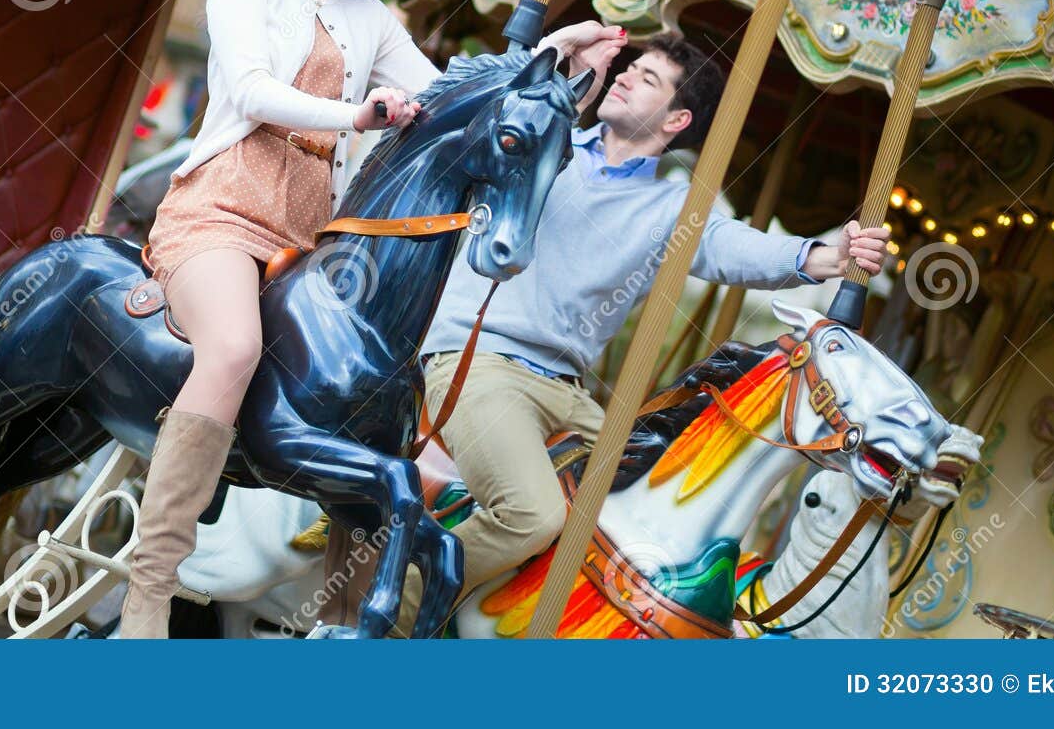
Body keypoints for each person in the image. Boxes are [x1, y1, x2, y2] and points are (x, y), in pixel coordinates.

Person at [123, 0, 623, 638]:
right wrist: (354, 114)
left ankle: (343, 627)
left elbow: (457, 96)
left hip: (306, 229)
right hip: (220, 207)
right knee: (232, 350)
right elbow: (250, 89)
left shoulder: (369, 18)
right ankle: (151, 586)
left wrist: (551, 55)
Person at [375, 32, 890, 633]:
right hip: (480, 357)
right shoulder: (547, 141)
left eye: (648, 79)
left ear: (677, 119)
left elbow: (735, 249)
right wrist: (561, 56)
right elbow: (482, 99)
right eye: (629, 67)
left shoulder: (670, 207)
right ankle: (389, 610)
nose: (624, 77)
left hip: (567, 389)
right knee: (533, 516)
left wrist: (827, 256)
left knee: (662, 501)